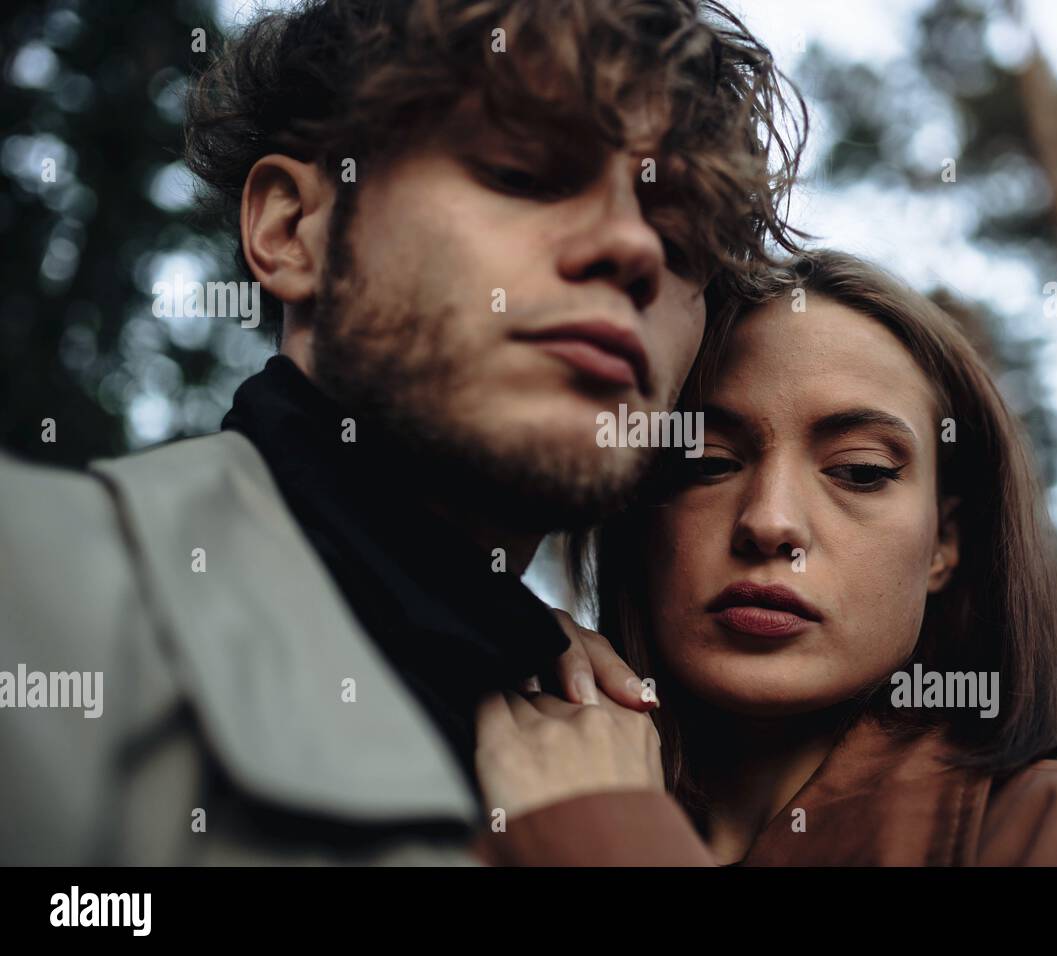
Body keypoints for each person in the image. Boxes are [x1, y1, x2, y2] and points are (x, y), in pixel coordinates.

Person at [0, 0, 806, 865]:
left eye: (682, 239)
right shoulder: (26, 587)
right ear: (292, 229)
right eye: (523, 173)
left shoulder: (664, 766)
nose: (633, 248)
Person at [475, 250, 1057, 866]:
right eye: (709, 463)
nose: (771, 523)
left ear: (945, 544)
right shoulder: (481, 783)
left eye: (860, 470)